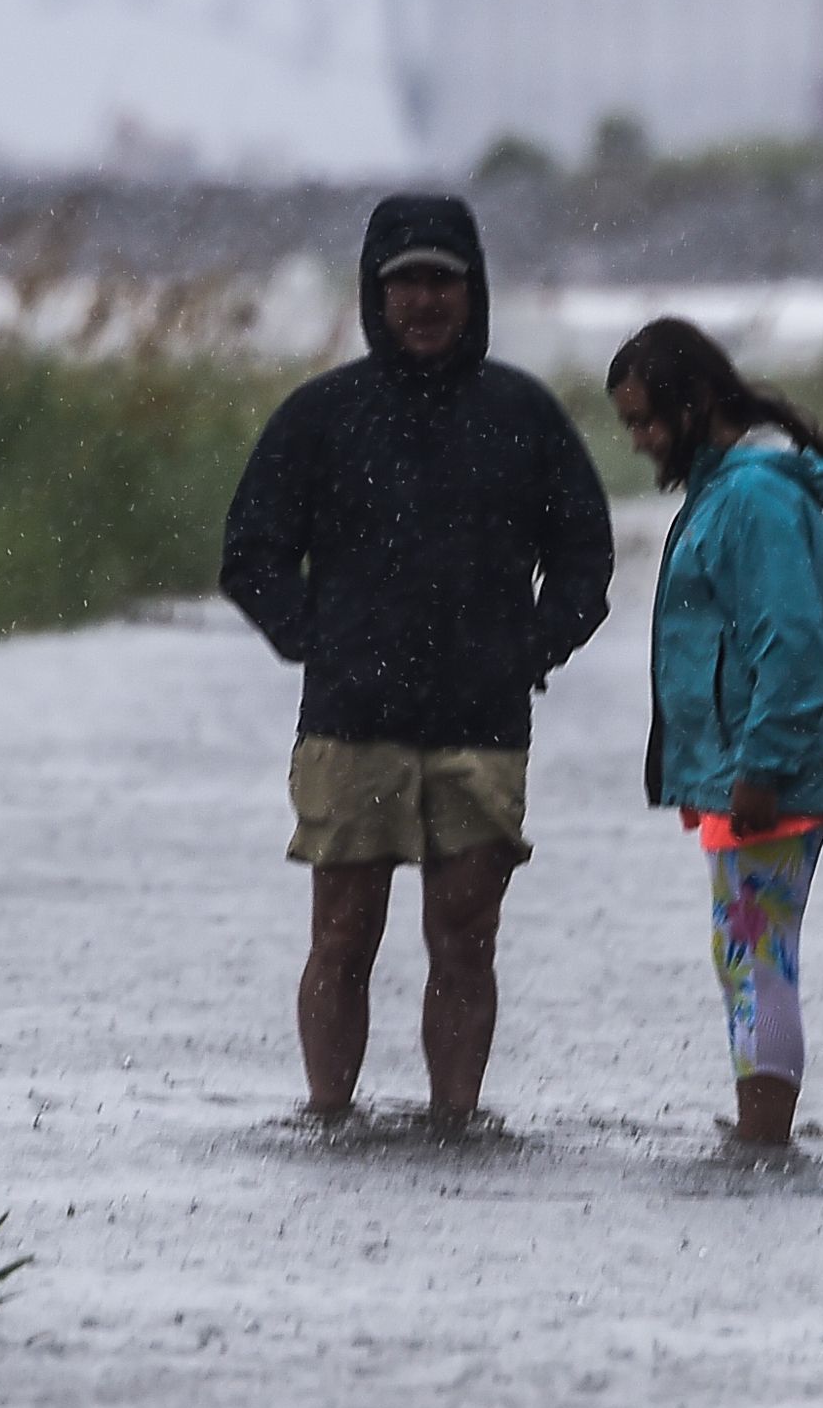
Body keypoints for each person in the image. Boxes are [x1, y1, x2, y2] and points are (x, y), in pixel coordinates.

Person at [220, 192, 615, 1133]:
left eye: (443, 281)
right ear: (374, 293)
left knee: (466, 939)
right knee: (343, 935)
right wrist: (314, 636)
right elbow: (251, 554)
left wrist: (535, 644)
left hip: (484, 720)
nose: (425, 301)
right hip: (350, 721)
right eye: (406, 284)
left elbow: (586, 556)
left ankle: (456, 1122)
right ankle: (326, 1115)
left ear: (474, 290)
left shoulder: (524, 414)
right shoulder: (320, 417)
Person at [604, 318, 823, 1151]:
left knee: (755, 955)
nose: (642, 440)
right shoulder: (731, 491)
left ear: (697, 404)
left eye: (648, 420)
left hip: (770, 768)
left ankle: (764, 1143)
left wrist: (760, 769)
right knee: (751, 952)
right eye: (630, 425)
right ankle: (762, 1127)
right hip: (744, 763)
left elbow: (789, 643)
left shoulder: (752, 498)